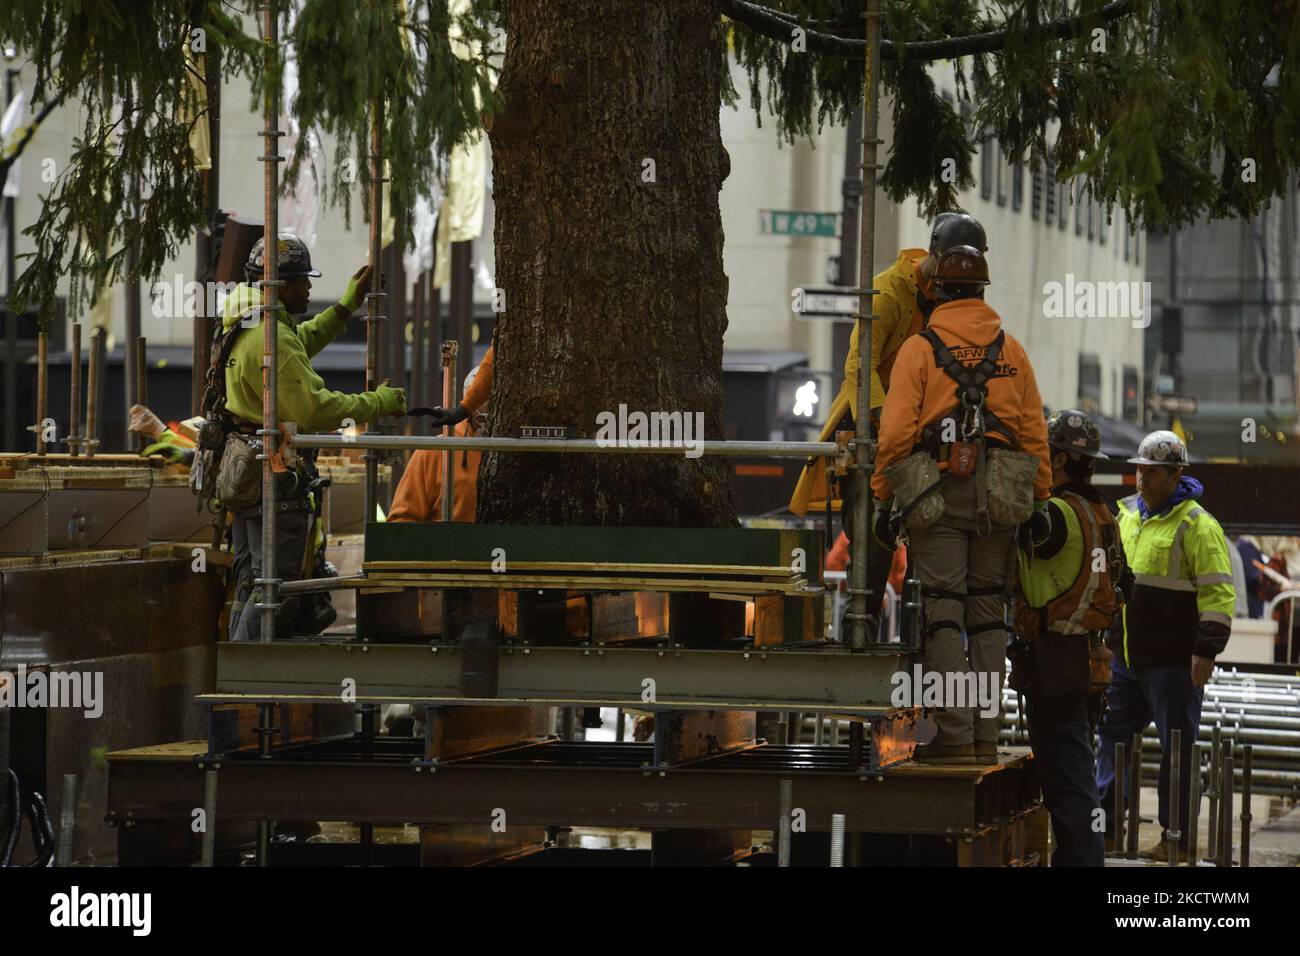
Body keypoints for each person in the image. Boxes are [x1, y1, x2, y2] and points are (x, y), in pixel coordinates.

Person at [872, 243, 1051, 764]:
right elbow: (1033, 433)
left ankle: (955, 736)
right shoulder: (1012, 351)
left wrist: (885, 498)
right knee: (989, 613)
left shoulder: (920, 350)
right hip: (1001, 498)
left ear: (935, 291)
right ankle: (987, 735)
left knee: (943, 612)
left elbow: (896, 435)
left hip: (938, 495)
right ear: (981, 291)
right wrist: (1039, 500)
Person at [788, 215, 989, 623]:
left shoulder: (954, 297)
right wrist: (887, 425)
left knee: (931, 547)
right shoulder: (889, 293)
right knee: (870, 546)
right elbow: (860, 368)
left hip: (924, 438)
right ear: (933, 256)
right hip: (875, 435)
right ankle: (859, 637)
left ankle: (922, 643)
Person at [219, 235, 406, 641]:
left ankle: (236, 674)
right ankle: (249, 675)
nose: (307, 288)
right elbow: (314, 407)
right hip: (272, 477)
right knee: (276, 585)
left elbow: (297, 345)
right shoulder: (273, 339)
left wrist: (344, 308)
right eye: (302, 281)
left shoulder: (249, 320)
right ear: (282, 286)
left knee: (251, 580)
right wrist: (377, 402)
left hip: (244, 473)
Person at [1095, 430, 1236, 860]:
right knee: (1111, 746)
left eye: (1152, 474)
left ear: (1176, 475)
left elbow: (1218, 595)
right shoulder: (1126, 518)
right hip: (1125, 659)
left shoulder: (1197, 526)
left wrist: (1205, 651)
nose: (1142, 481)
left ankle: (1176, 840)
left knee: (1178, 753)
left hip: (1174, 665)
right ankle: (1106, 831)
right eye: (1139, 471)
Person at [1010, 409, 1129, 866]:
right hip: (1086, 668)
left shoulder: (1054, 516)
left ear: (1057, 460)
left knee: (1072, 796)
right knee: (1070, 791)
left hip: (1056, 671)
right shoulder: (1102, 514)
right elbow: (1125, 585)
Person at [389, 365, 487, 522]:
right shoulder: (434, 453)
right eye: (485, 397)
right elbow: (403, 520)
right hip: (449, 545)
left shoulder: (521, 449)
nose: (491, 404)